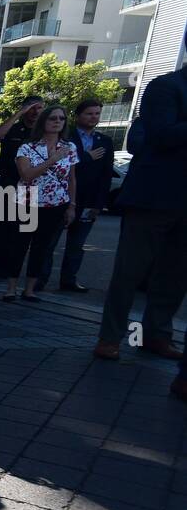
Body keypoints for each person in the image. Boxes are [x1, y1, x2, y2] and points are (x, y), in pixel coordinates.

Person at [95, 48, 187, 364]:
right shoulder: (167, 86)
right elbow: (161, 136)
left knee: (176, 275)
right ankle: (110, 338)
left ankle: (156, 336)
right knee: (129, 272)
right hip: (153, 197)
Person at [36, 99, 113, 292]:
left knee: (76, 245)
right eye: (89, 113)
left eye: (97, 113)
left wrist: (99, 203)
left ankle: (69, 280)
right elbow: (53, 165)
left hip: (88, 201)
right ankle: (39, 279)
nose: (93, 117)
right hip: (61, 198)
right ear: (78, 116)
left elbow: (105, 175)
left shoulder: (104, 141)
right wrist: (87, 157)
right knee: (49, 242)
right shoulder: (64, 138)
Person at [4, 104, 77, 301]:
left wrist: (72, 205)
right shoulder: (27, 147)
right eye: (53, 118)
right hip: (28, 200)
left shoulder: (69, 148)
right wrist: (51, 160)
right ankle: (11, 288)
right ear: (43, 121)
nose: (57, 122)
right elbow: (27, 176)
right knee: (19, 244)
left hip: (56, 203)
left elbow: (71, 179)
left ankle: (29, 289)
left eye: (61, 118)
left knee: (42, 247)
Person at [0, 96, 44, 279]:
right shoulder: (14, 128)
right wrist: (19, 113)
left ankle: (7, 270)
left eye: (40, 108)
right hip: (8, 183)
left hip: (30, 186)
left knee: (21, 233)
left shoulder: (42, 133)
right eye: (32, 108)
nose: (36, 112)